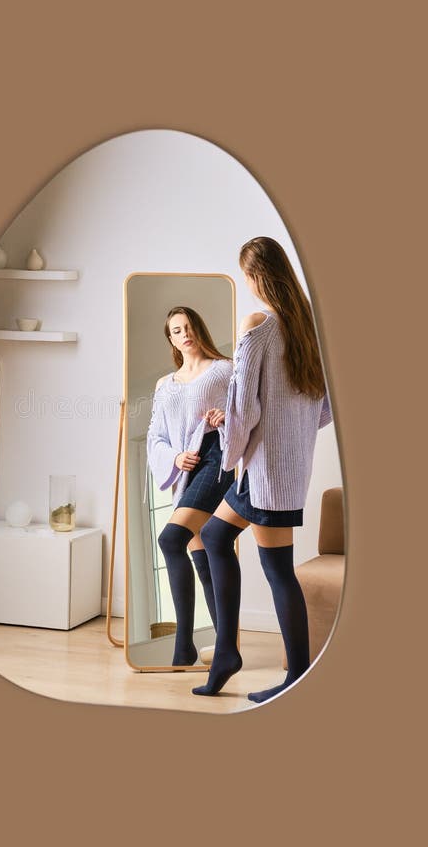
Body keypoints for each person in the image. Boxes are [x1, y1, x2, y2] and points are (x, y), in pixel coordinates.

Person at [192, 236, 333, 701]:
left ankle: (295, 677)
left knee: (277, 572)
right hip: (287, 471)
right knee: (214, 536)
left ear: (255, 278)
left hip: (264, 474)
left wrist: (228, 447)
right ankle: (230, 653)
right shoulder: (309, 329)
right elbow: (326, 408)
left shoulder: (258, 326)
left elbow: (245, 410)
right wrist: (289, 428)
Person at [146, 306, 235, 666]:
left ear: (198, 328)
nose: (184, 334)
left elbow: (251, 408)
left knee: (170, 539)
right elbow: (155, 435)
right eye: (176, 330)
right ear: (171, 339)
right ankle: (227, 648)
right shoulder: (164, 386)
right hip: (187, 467)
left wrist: (229, 416)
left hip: (215, 458)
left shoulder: (224, 369)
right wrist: (174, 456)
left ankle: (183, 646)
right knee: (202, 559)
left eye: (188, 326)